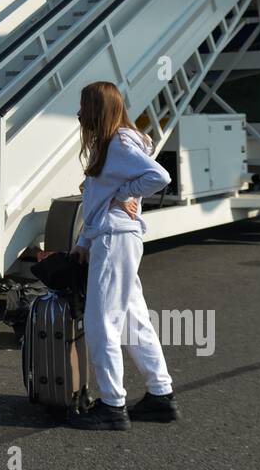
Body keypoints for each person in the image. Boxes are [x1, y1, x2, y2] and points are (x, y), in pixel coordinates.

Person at [67, 81, 179, 431]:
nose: (80, 114)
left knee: (103, 324)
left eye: (84, 107)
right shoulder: (119, 142)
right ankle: (161, 395)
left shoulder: (117, 144)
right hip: (117, 238)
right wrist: (84, 240)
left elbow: (159, 176)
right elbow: (101, 196)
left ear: (98, 110)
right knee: (134, 320)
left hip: (115, 240)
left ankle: (113, 406)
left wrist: (124, 194)